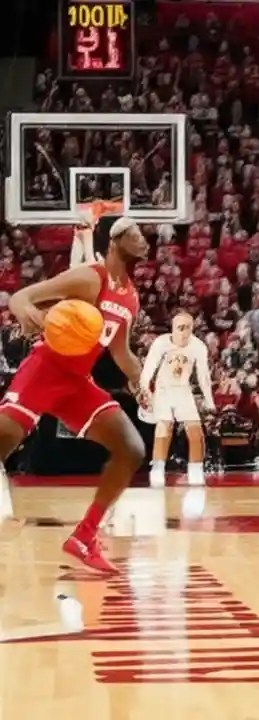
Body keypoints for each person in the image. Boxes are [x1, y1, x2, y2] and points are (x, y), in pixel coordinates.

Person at [0, 216, 149, 573]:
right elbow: (22, 297)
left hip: (77, 381)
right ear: (113, 241)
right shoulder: (89, 277)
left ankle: (84, 536)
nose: (145, 238)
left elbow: (120, 350)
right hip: (45, 370)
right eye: (135, 233)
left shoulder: (130, 297)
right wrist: (28, 313)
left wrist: (139, 379)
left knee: (131, 449)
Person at [140, 311, 214, 487]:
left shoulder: (198, 347)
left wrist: (209, 400)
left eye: (189, 328)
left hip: (183, 390)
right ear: (173, 329)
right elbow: (148, 370)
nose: (185, 332)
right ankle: (157, 470)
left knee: (196, 431)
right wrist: (146, 392)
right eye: (181, 328)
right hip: (164, 389)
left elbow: (203, 376)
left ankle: (196, 470)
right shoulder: (161, 343)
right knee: (164, 427)